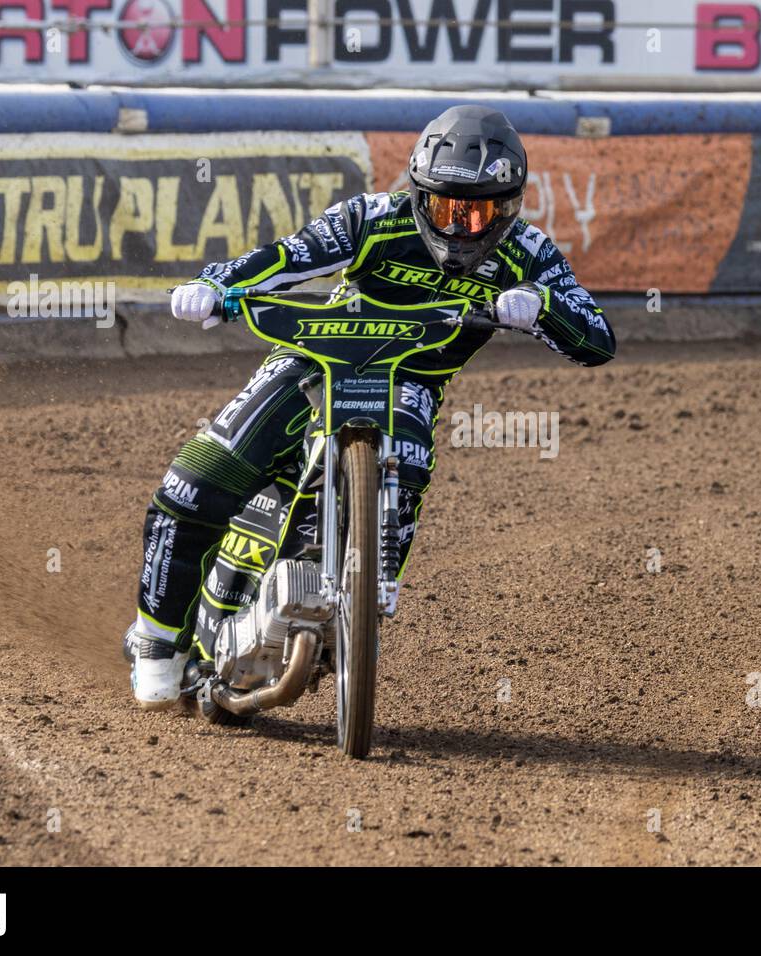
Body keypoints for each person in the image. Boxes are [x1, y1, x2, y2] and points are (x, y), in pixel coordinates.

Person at [129, 104, 616, 708]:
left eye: (480, 210)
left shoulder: (531, 253)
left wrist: (543, 304)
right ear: (418, 193)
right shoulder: (372, 219)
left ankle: (364, 595)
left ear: (511, 204)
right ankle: (157, 643)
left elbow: (597, 340)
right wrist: (215, 286)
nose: (461, 225)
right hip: (316, 359)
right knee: (194, 483)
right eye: (444, 207)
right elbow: (287, 257)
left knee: (408, 459)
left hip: (407, 381)